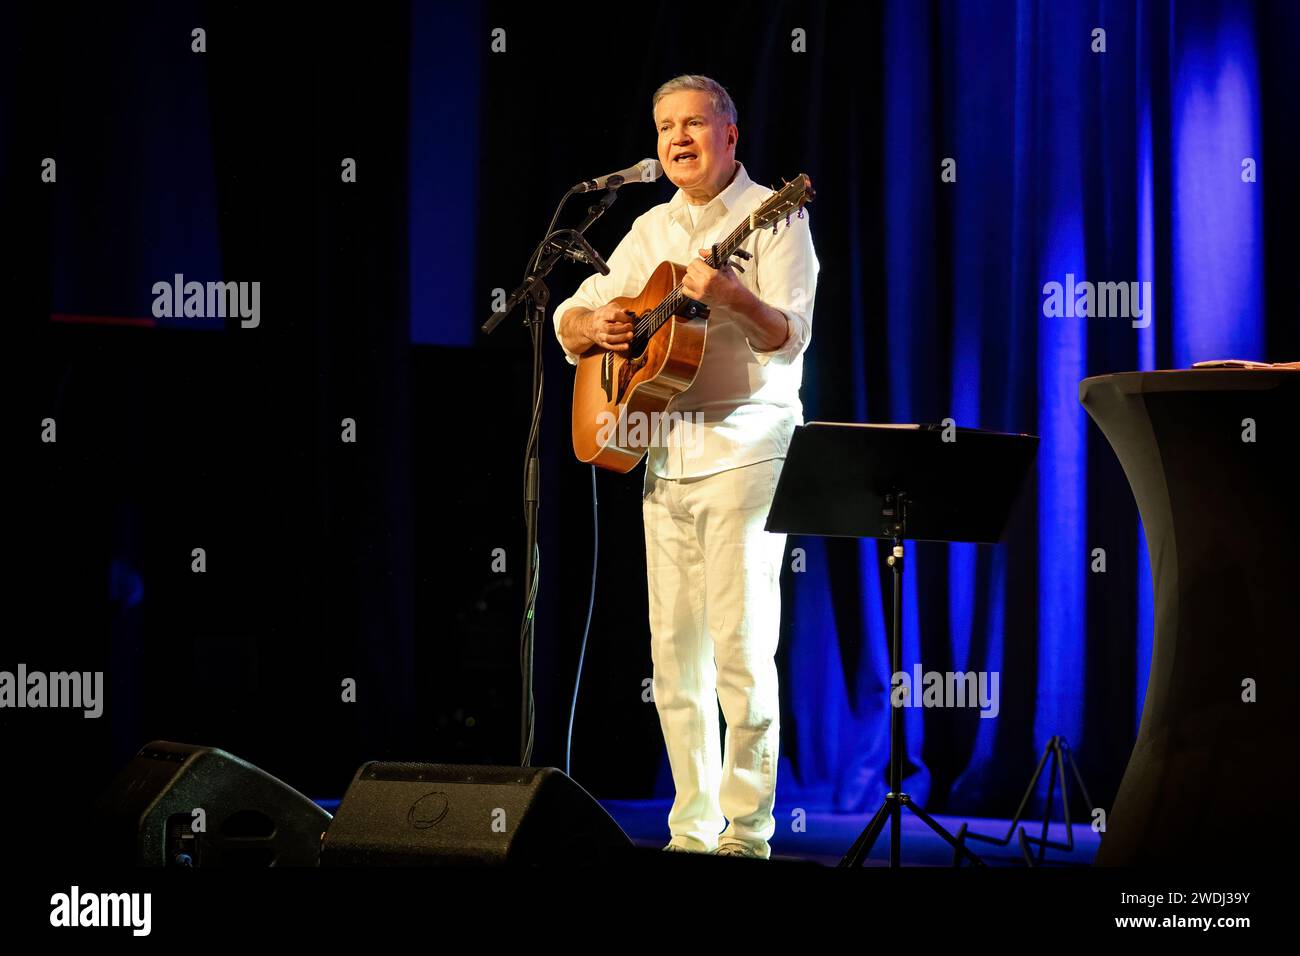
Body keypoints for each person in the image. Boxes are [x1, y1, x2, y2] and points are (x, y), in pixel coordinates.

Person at [553, 74, 818, 859]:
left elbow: (790, 334)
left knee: (738, 649)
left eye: (694, 123)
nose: (677, 138)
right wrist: (589, 322)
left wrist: (732, 297)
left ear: (730, 135)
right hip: (663, 451)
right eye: (666, 125)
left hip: (746, 448)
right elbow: (579, 305)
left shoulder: (778, 215)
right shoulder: (652, 224)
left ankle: (747, 831)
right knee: (674, 658)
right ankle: (690, 827)